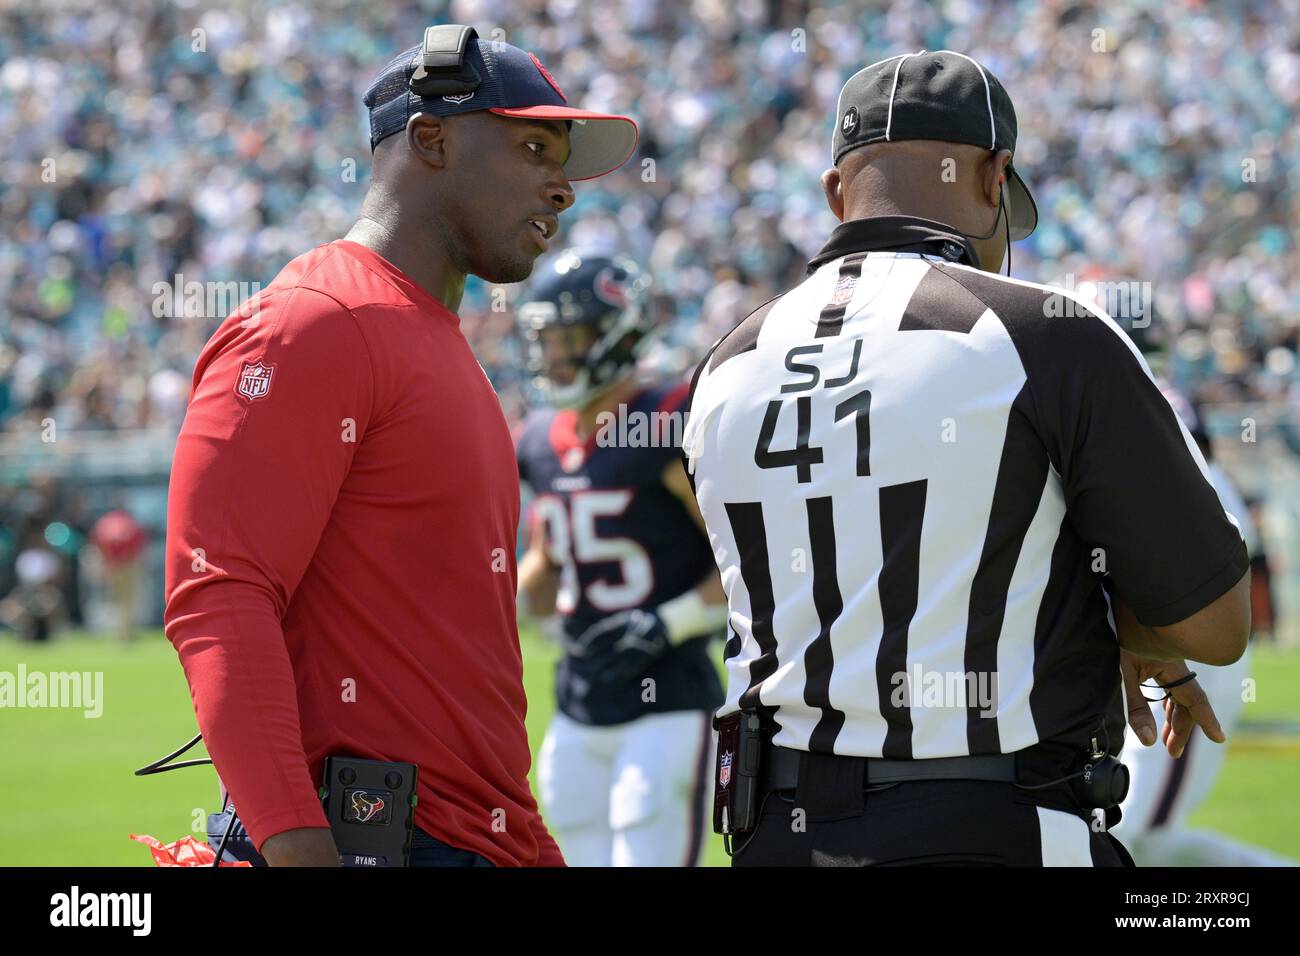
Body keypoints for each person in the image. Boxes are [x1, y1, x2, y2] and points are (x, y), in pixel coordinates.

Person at [681, 50, 1250, 866]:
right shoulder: (1046, 331)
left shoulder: (723, 363)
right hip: (992, 823)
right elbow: (1217, 625)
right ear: (995, 177)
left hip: (772, 830)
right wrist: (1129, 627)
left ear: (836, 194)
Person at [163, 25, 636, 867]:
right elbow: (220, 594)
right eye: (534, 146)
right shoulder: (316, 320)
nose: (562, 188)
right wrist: (299, 847)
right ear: (431, 139)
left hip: (469, 836)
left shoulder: (433, 338)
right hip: (374, 840)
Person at [514, 249, 728, 866]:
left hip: (669, 698)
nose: (554, 356)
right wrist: (508, 606)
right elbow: (552, 559)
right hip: (579, 698)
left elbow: (741, 561)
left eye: (570, 337)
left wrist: (668, 622)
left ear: (618, 332)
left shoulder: (668, 420)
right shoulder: (539, 442)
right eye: (544, 340)